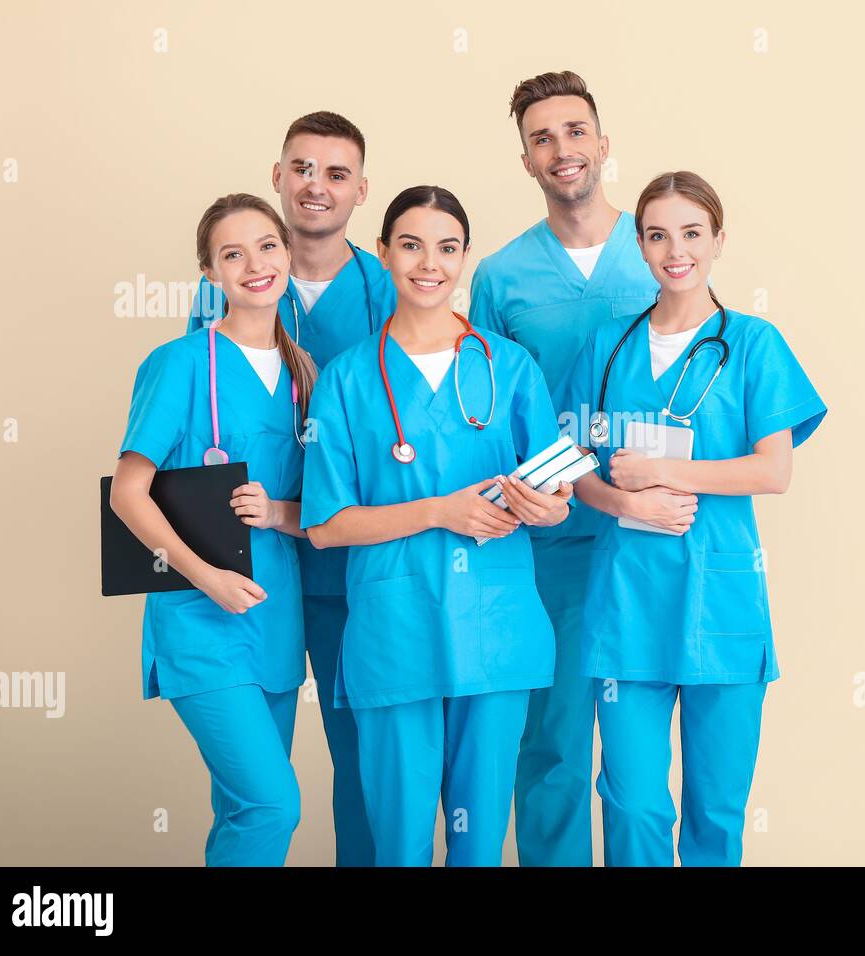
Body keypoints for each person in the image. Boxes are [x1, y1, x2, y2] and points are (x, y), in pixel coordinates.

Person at [554, 172, 827, 866]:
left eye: (691, 233)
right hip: (628, 605)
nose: (675, 250)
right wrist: (620, 499)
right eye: (656, 235)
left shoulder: (754, 344)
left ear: (718, 241)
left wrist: (663, 471)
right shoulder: (608, 347)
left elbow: (774, 470)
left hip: (721, 604)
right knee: (633, 802)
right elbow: (571, 464)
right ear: (640, 247)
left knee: (715, 809)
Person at [301, 186, 572, 866]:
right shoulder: (347, 378)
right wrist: (438, 511)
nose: (430, 264)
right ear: (386, 253)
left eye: (447, 248)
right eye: (412, 245)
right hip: (396, 634)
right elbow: (326, 526)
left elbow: (555, 495)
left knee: (477, 843)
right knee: (397, 842)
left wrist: (550, 507)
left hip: (495, 629)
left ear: (464, 259)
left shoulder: (509, 368)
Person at [468, 70, 684, 867]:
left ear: (603, 141)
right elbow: (488, 413)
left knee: (637, 764)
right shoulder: (501, 276)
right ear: (526, 159)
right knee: (552, 744)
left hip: (648, 538)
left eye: (575, 130)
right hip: (549, 541)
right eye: (542, 137)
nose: (563, 150)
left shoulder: (661, 248)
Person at [186, 111, 394, 867]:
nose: (316, 186)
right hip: (252, 569)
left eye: (336, 173)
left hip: (351, 567)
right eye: (302, 168)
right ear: (278, 178)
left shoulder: (388, 288)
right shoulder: (226, 286)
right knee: (256, 783)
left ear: (361, 190)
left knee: (365, 764)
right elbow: (196, 421)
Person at [111, 193, 316, 866]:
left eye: (266, 246)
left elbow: (308, 506)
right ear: (210, 273)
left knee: (239, 809)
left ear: (288, 253)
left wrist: (280, 514)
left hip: (276, 618)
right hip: (200, 619)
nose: (254, 265)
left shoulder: (303, 372)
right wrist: (208, 578)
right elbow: (127, 495)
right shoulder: (178, 364)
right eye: (233, 254)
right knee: (271, 805)